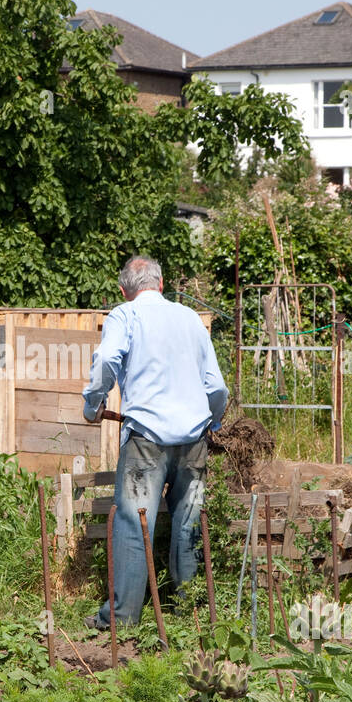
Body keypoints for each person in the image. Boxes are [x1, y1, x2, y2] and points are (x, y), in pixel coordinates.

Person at [81, 255, 229, 627]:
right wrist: (212, 421)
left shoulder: (124, 316)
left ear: (124, 291)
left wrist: (92, 404)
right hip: (194, 440)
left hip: (147, 440)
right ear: (161, 284)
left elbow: (105, 363)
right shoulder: (189, 319)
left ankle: (123, 617)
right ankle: (191, 615)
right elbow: (216, 386)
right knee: (188, 522)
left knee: (134, 523)